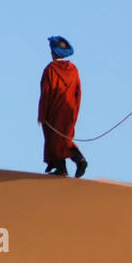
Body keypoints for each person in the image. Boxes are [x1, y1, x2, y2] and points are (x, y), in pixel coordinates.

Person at [38, 36, 87, 177]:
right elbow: (78, 92)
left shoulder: (50, 70)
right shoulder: (73, 69)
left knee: (57, 139)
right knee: (63, 137)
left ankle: (79, 160)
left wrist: (42, 114)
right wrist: (75, 110)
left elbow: (46, 93)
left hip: (54, 110)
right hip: (69, 109)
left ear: (54, 52)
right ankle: (62, 168)